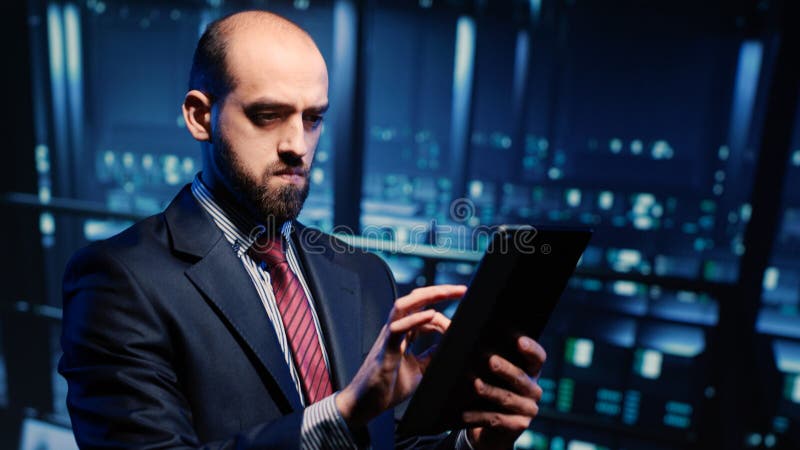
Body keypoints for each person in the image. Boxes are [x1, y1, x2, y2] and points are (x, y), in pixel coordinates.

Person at [59, 10, 546, 450]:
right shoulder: (118, 282)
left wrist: (474, 444)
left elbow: (388, 445)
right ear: (200, 116)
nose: (298, 145)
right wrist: (343, 413)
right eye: (268, 115)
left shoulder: (365, 274)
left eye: (313, 118)